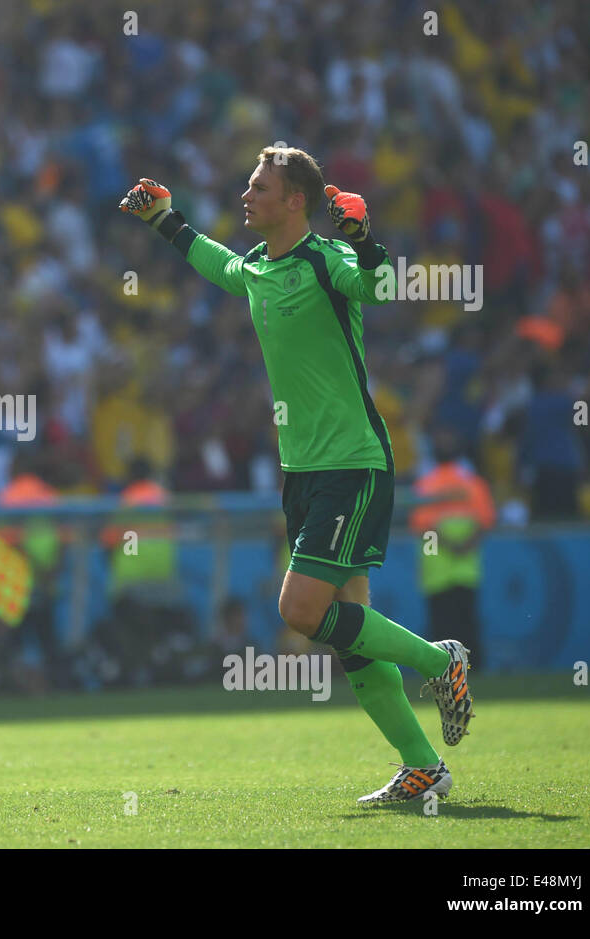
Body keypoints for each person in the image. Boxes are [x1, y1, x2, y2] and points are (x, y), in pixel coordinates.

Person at [120, 147, 473, 804]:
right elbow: (216, 262)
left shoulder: (324, 259)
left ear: (294, 202)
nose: (246, 194)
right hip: (303, 472)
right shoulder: (258, 267)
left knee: (300, 611)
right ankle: (423, 764)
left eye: (259, 186)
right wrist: (166, 220)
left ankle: (438, 660)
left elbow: (381, 286)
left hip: (352, 463)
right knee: (352, 634)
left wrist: (365, 239)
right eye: (248, 182)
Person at [410, 429, 496, 669]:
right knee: (467, 626)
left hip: (436, 569)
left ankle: (444, 675)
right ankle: (474, 676)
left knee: (441, 628)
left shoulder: (426, 484)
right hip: (465, 567)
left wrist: (448, 544)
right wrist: (463, 546)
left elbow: (421, 524)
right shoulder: (472, 483)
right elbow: (485, 520)